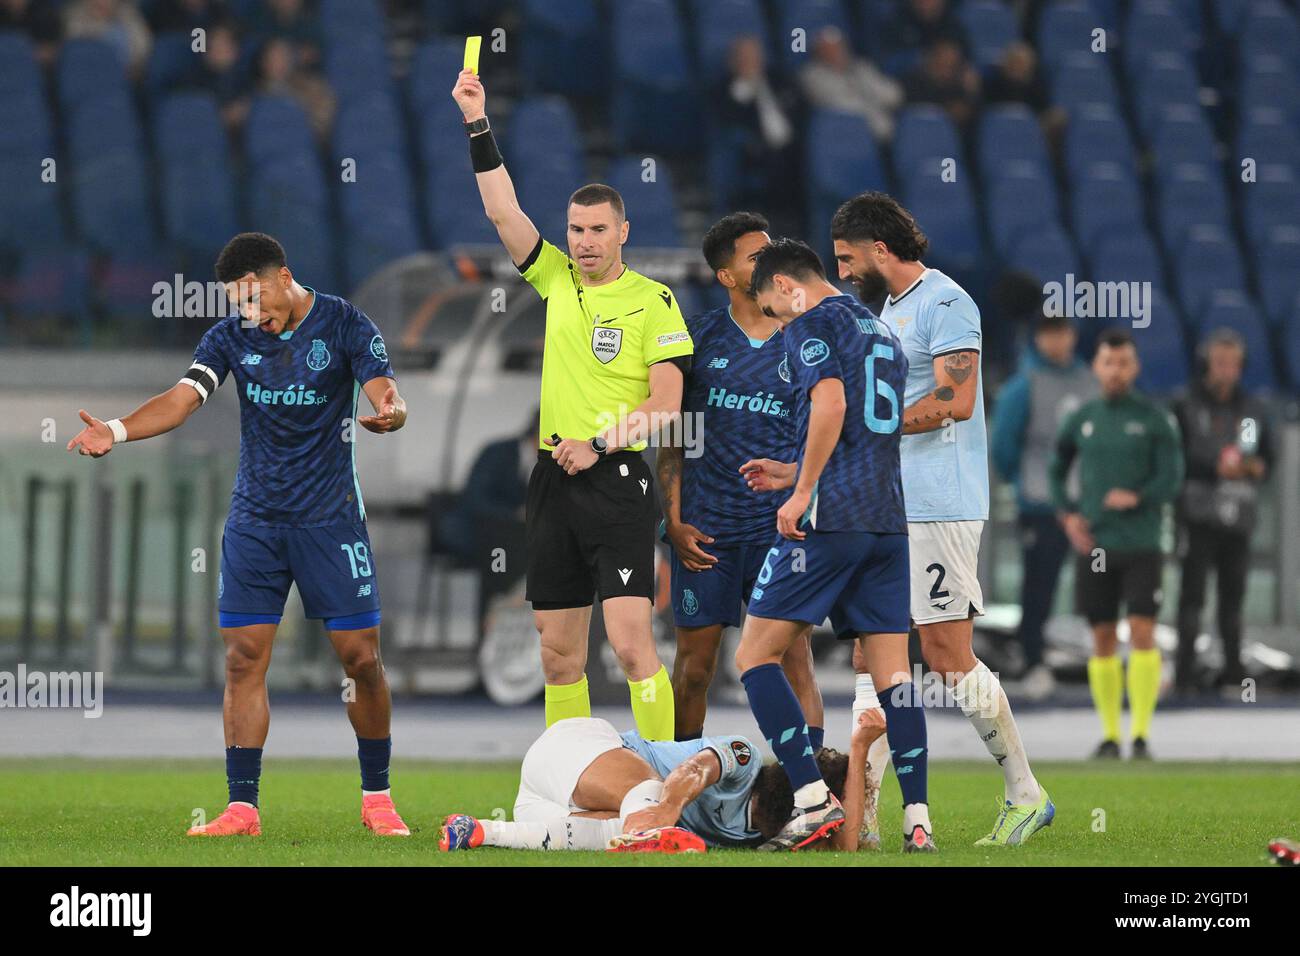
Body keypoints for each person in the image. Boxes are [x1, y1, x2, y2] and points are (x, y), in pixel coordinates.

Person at [66, 232, 412, 837]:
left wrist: (392, 411)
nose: (251, 313)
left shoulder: (345, 323)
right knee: (243, 658)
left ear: (284, 276)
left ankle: (377, 797)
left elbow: (384, 388)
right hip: (255, 520)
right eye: (240, 303)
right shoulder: (229, 337)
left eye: (256, 299)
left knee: (361, 660)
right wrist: (116, 431)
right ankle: (242, 808)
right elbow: (181, 400)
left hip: (330, 520)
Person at [451, 68, 693, 740]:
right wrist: (477, 121)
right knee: (557, 653)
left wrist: (604, 441)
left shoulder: (653, 300)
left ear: (622, 232)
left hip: (615, 480)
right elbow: (502, 211)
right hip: (554, 479)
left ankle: (663, 783)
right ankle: (572, 782)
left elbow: (667, 401)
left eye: (595, 229)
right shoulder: (555, 277)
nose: (582, 241)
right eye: (574, 229)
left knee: (629, 644)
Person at [830, 191, 1053, 847]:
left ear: (877, 248)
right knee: (872, 650)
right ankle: (863, 815)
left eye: (846, 258)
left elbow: (955, 399)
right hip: (891, 504)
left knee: (947, 654)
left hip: (940, 503)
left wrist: (876, 425)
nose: (843, 272)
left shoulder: (947, 301)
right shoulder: (892, 311)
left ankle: (1025, 793)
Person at [734, 239, 927, 852]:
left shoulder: (811, 324)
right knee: (897, 677)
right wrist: (793, 471)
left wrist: (801, 492)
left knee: (755, 657)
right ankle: (917, 820)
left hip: (832, 521)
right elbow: (865, 431)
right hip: (886, 523)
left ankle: (812, 798)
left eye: (776, 309)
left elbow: (832, 402)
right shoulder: (880, 331)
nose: (780, 322)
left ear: (790, 286)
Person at [656, 212, 822, 746]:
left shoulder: (805, 337)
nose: (770, 262)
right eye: (755, 256)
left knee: (792, 662)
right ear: (726, 276)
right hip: (708, 533)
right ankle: (684, 786)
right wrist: (674, 521)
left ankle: (810, 795)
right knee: (696, 667)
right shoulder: (697, 338)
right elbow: (676, 438)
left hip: (781, 530)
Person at [439, 710, 884, 853]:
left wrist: (860, 748)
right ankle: (648, 829)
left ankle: (479, 830)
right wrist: (667, 811)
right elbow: (693, 771)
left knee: (614, 835)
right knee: (652, 792)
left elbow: (843, 842)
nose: (823, 838)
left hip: (543, 805)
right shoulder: (744, 759)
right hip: (574, 751)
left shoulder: (760, 836)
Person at [1049, 329, 1184, 760]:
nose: (1116, 370)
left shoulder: (1154, 418)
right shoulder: (1083, 418)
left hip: (1143, 541)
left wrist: (1139, 496)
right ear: (1097, 366)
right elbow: (1055, 468)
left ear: (1135, 366)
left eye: (1124, 362)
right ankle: (1110, 734)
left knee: (1142, 629)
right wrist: (1067, 514)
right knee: (1102, 635)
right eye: (1109, 362)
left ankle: (1141, 734)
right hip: (1098, 544)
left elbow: (1172, 477)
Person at [991, 314, 1098, 699]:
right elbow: (1003, 444)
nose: (1059, 341)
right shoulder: (1025, 385)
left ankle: (1098, 661)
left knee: (1099, 582)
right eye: (1051, 334)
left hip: (1088, 503)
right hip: (1042, 504)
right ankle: (1032, 658)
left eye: (1064, 333)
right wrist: (1025, 485)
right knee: (1039, 584)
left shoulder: (1089, 380)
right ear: (1039, 338)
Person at [1172, 329, 1272, 694]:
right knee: (1192, 597)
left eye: (1233, 364)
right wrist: (1215, 465)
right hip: (1197, 514)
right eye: (1220, 363)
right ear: (1206, 364)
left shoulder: (1250, 409)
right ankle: (1184, 674)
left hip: (1237, 515)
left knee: (1233, 599)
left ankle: (1233, 673)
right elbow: (1178, 455)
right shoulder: (1187, 404)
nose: (1226, 371)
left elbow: (1263, 456)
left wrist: (1251, 466)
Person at [713, 36, 803, 235]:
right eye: (744, 58)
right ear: (734, 61)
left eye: (754, 57)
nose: (751, 62)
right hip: (757, 152)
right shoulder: (727, 88)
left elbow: (798, 107)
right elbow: (727, 119)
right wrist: (744, 87)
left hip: (792, 147)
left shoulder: (778, 79)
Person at [799, 27, 904, 142]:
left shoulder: (862, 68)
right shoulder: (812, 75)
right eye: (829, 50)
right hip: (847, 135)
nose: (836, 53)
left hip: (885, 132)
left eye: (838, 48)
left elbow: (894, 94)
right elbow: (836, 105)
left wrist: (869, 89)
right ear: (819, 52)